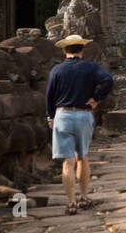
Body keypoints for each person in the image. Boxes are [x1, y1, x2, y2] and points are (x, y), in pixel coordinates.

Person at [45, 34, 113, 215]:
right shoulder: (90, 67)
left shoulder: (57, 70)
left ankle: (71, 202)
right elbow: (108, 80)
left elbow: (49, 97)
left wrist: (50, 117)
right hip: (83, 114)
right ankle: (83, 196)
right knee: (82, 156)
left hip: (62, 114)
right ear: (82, 49)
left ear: (64, 50)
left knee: (67, 162)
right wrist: (96, 99)